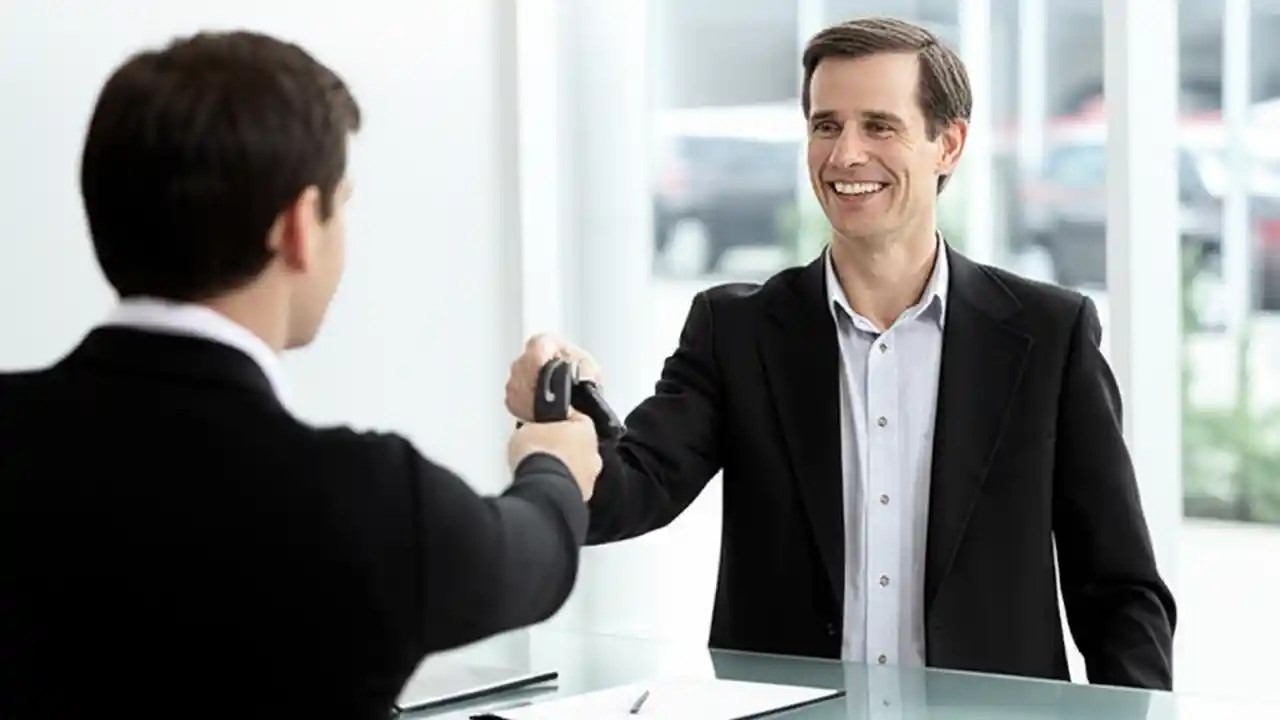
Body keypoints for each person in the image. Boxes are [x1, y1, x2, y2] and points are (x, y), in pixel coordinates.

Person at [506, 17, 1176, 690]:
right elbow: (624, 497)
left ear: (949, 144)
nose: (846, 154)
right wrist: (562, 413)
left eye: (879, 126)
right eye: (826, 126)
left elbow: (1119, 592)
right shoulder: (734, 330)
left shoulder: (1049, 335)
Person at [0, 31, 600, 718]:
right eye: (340, 202)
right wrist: (553, 461)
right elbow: (537, 555)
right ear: (297, 229)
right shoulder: (366, 501)